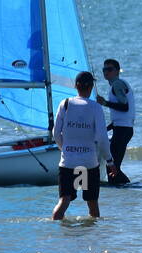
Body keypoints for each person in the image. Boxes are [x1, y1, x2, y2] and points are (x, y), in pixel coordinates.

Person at [52, 71, 112, 220]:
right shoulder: (95, 108)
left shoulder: (65, 104)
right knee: (92, 204)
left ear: (75, 86)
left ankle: (54, 234)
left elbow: (55, 133)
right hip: (88, 164)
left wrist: (64, 149)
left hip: (68, 163)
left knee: (64, 201)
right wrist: (110, 161)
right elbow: (102, 138)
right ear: (91, 87)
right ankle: (92, 239)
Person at [96, 58, 134, 186]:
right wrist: (106, 128)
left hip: (123, 131)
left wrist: (104, 103)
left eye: (109, 69)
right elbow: (121, 117)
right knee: (113, 166)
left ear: (117, 71)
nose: (106, 72)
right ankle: (121, 189)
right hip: (123, 129)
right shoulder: (116, 85)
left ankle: (128, 187)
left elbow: (125, 107)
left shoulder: (117, 84)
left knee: (111, 166)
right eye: (104, 70)